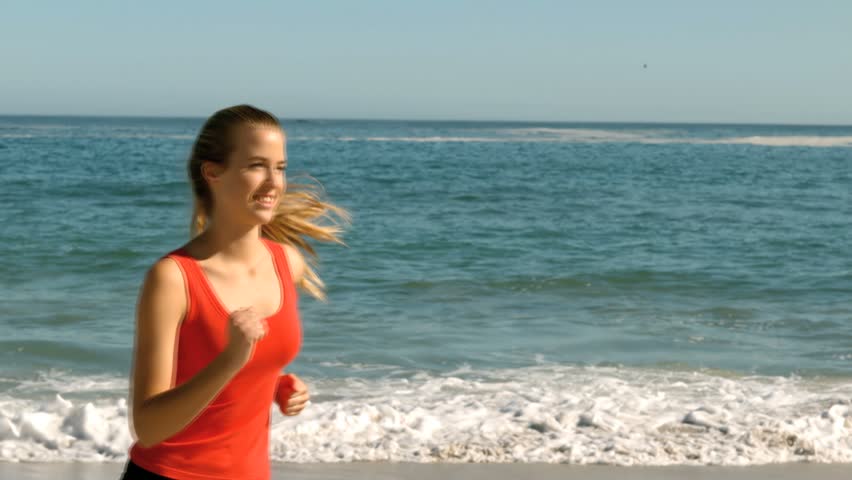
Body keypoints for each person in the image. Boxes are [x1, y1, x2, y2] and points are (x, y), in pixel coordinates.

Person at [121, 105, 349, 479]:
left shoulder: (286, 263)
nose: (274, 182)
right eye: (257, 165)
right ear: (213, 173)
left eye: (281, 167)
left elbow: (245, 372)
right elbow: (148, 427)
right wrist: (231, 360)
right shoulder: (173, 279)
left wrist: (276, 383)